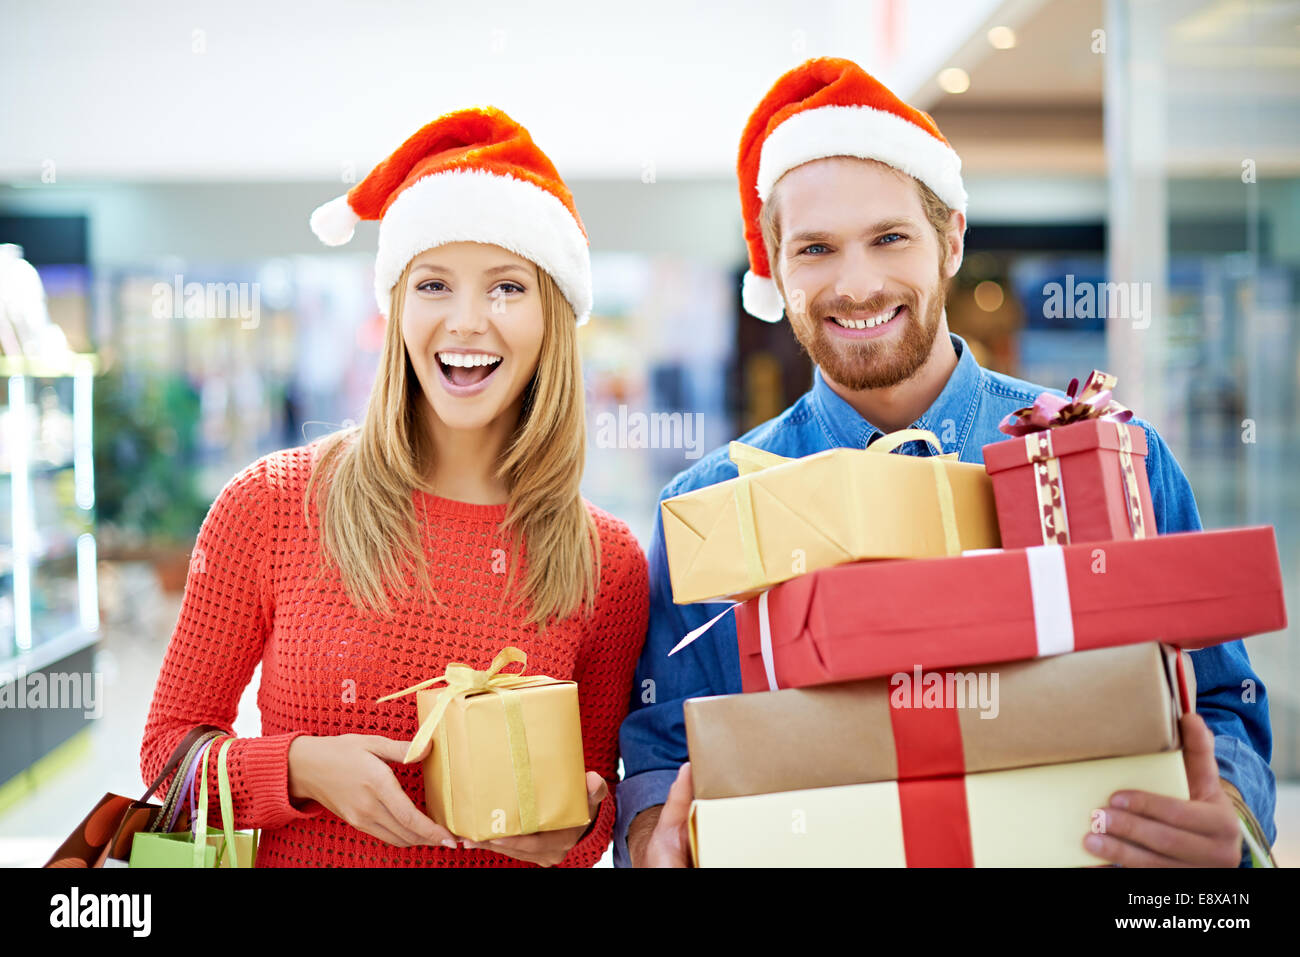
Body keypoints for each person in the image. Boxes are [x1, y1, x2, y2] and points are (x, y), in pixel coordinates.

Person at [616, 58, 1275, 869]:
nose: (857, 285)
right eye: (815, 248)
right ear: (774, 271)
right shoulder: (708, 506)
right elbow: (658, 749)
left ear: (951, 238)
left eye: (889, 238)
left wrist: (1229, 825)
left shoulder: (1107, 455)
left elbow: (1221, 702)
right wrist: (654, 845)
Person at [140, 107, 649, 867]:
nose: (467, 322)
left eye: (507, 287)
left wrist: (568, 833)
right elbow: (166, 761)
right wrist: (300, 767)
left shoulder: (607, 561)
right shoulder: (272, 504)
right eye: (435, 284)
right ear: (398, 308)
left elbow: (596, 809)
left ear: (553, 316)